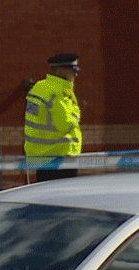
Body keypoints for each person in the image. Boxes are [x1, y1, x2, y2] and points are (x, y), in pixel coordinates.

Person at [24, 53, 82, 182]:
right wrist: (76, 113)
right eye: (73, 70)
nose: (76, 74)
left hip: (41, 157)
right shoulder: (59, 92)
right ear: (59, 70)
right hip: (59, 158)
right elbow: (65, 124)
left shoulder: (40, 87)